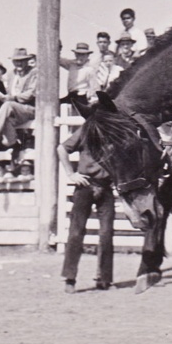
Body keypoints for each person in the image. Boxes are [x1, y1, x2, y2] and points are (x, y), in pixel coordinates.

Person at [57, 116, 116, 293]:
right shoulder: (86, 129)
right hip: (85, 185)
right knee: (76, 231)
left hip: (106, 186)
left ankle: (104, 278)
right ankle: (70, 278)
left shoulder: (116, 133)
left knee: (106, 233)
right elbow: (62, 148)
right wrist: (71, 173)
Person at [0, 48, 37, 151]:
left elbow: (31, 93)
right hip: (12, 110)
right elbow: (8, 92)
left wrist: (11, 98)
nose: (19, 64)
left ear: (27, 61)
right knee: (5, 118)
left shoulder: (34, 72)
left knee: (8, 105)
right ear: (13, 62)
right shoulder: (11, 74)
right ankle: (13, 143)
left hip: (29, 108)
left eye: (22, 61)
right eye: (16, 61)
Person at [59, 42, 99, 106]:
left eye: (83, 55)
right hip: (71, 95)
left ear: (87, 55)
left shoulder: (90, 69)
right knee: (56, 104)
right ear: (75, 54)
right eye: (78, 54)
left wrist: (92, 101)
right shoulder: (71, 64)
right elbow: (58, 59)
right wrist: (58, 48)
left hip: (82, 97)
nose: (80, 57)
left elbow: (94, 87)